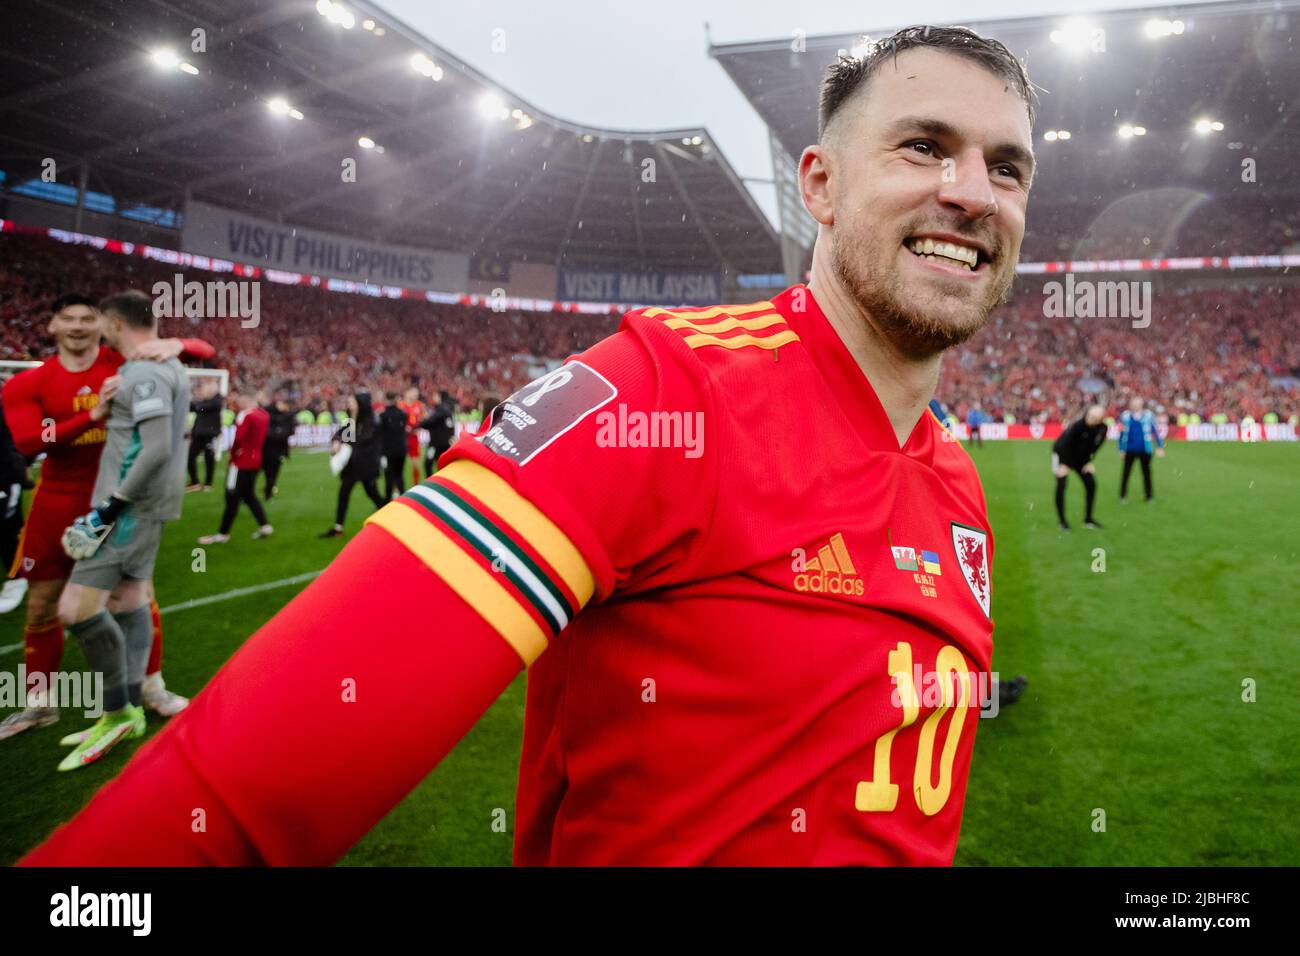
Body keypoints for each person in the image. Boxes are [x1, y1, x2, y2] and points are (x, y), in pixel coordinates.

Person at [24, 24, 1033, 864]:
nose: (972, 192)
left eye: (1007, 167)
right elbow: (234, 790)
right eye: (922, 147)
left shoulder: (956, 487)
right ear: (816, 184)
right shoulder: (661, 395)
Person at [0, 293, 206, 741]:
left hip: (119, 498)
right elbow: (28, 443)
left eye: (86, 319)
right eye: (67, 319)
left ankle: (150, 689)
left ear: (103, 325)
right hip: (58, 502)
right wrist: (92, 415)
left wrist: (179, 343)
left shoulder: (125, 360)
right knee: (42, 603)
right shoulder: (29, 383)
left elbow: (201, 351)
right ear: (51, 326)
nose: (77, 326)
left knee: (134, 596)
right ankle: (40, 704)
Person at [52, 290, 191, 770]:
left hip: (127, 510)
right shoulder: (164, 365)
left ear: (113, 322)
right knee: (130, 601)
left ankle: (115, 712)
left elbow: (153, 449)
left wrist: (110, 507)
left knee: (75, 609)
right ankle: (129, 707)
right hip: (148, 508)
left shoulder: (148, 370)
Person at [199, 391, 272, 544]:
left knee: (231, 496)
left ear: (244, 402)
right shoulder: (264, 414)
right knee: (248, 494)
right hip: (256, 460)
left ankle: (223, 533)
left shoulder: (245, 415)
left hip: (241, 461)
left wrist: (232, 456)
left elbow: (239, 437)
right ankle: (265, 525)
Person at [320, 390, 385, 538]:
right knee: (345, 492)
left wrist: (344, 441)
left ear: (360, 404)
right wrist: (337, 441)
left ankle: (390, 516)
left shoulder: (371, 420)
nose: (349, 403)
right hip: (353, 466)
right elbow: (342, 434)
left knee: (372, 493)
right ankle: (338, 527)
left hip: (365, 466)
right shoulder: (352, 419)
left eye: (352, 401)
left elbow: (361, 441)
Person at [1052, 404, 1108, 530]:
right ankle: (1062, 521)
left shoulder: (1102, 429)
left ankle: (1088, 519)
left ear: (1100, 420)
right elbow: (1064, 445)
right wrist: (1063, 465)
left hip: (1081, 459)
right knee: (1061, 484)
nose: (1090, 418)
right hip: (1062, 454)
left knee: (1091, 484)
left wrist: (1089, 461)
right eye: (1089, 415)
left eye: (1094, 418)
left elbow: (1095, 447)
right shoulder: (1077, 425)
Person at [0, 382, 30, 614]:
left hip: (5, 476)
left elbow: (9, 441)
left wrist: (18, 475)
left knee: (8, 529)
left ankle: (17, 576)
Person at [1118, 396, 1164, 502]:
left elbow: (1155, 431)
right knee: (1126, 473)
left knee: (1147, 473)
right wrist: (1121, 449)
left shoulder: (1148, 416)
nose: (1135, 405)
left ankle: (1149, 496)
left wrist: (1159, 446)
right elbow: (1121, 433)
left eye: (1137, 403)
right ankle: (1123, 495)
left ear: (1141, 404)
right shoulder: (1125, 416)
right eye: (1133, 403)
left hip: (1145, 449)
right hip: (1129, 449)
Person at [185, 377, 223, 493]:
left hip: (208, 435)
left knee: (209, 459)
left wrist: (196, 402)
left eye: (204, 388)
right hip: (198, 434)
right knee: (190, 457)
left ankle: (208, 483)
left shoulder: (217, 400)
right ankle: (195, 481)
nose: (202, 391)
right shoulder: (203, 402)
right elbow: (192, 407)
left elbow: (201, 407)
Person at [261, 392, 295, 501]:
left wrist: (276, 433)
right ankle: (267, 489)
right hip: (267, 449)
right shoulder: (269, 412)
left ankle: (268, 491)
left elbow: (290, 431)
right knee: (267, 471)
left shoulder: (288, 417)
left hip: (278, 450)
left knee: (274, 473)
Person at [377, 391, 408, 500]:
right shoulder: (403, 414)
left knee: (389, 476)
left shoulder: (382, 416)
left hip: (388, 451)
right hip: (401, 450)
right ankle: (404, 498)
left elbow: (378, 433)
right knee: (399, 475)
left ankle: (387, 500)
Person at [420, 390, 456, 477]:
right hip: (444, 442)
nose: (433, 398)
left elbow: (428, 423)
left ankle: (433, 483)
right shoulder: (446, 409)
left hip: (437, 443)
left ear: (439, 397)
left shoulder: (441, 410)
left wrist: (423, 421)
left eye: (435, 396)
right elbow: (451, 426)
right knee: (441, 465)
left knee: (428, 464)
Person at [395, 386, 426, 483]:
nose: (416, 394)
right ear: (407, 393)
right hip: (402, 438)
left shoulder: (420, 405)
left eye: (417, 393)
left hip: (414, 437)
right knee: (398, 465)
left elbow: (423, 419)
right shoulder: (400, 405)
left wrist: (419, 426)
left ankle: (416, 485)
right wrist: (404, 428)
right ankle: (396, 488)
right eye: (414, 392)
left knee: (416, 465)